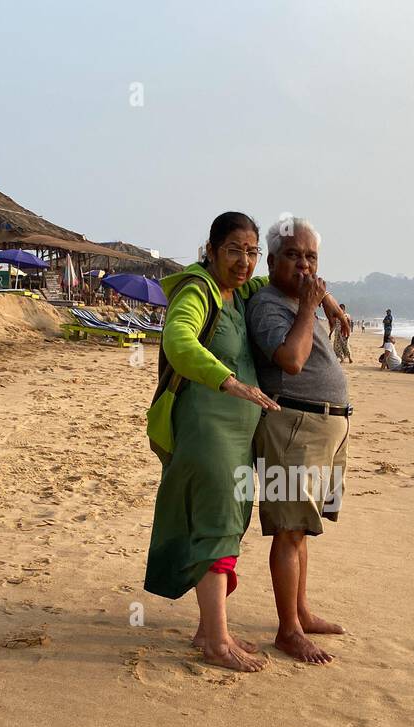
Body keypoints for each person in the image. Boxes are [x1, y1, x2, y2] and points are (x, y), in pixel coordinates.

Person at [142, 212, 344, 672]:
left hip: (238, 434)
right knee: (215, 526)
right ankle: (217, 642)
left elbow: (299, 278)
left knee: (229, 523)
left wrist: (328, 302)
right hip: (206, 428)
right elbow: (179, 342)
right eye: (234, 251)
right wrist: (228, 381)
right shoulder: (197, 292)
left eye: (251, 252)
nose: (244, 261)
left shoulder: (241, 292)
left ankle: (208, 629)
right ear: (210, 251)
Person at [246, 217, 349, 664]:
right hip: (293, 426)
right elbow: (290, 359)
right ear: (270, 262)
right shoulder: (270, 305)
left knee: (303, 528)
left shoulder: (300, 296)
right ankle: (287, 631)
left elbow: (316, 291)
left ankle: (301, 612)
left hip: (324, 427)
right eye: (293, 255)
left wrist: (329, 303)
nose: (304, 266)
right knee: (288, 529)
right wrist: (312, 305)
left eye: (311, 257)